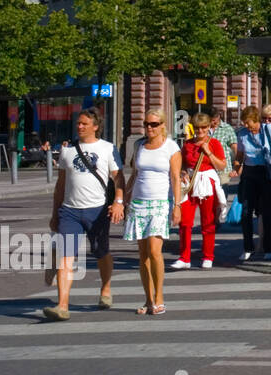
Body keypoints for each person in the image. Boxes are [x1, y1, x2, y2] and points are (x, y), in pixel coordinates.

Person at [43, 108, 124, 321]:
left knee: (101, 252)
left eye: (84, 124)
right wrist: (55, 213)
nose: (79, 126)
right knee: (66, 257)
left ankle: (105, 288)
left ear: (95, 126)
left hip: (97, 211)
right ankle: (62, 305)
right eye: (78, 123)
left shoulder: (107, 148)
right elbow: (60, 185)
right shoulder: (68, 150)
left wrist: (118, 202)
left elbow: (118, 178)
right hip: (70, 211)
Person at [123, 108, 182, 315]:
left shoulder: (171, 147)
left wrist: (177, 205)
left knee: (155, 251)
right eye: (147, 124)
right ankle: (148, 300)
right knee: (143, 254)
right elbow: (134, 174)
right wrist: (123, 200)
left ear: (163, 125)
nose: (149, 128)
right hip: (138, 202)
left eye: (154, 124)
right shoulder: (139, 145)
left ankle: (159, 298)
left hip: (160, 203)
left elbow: (175, 178)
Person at [172, 112, 227, 270]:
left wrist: (208, 151)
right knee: (185, 222)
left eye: (204, 127)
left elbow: (221, 166)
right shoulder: (187, 145)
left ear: (209, 127)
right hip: (190, 183)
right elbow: (181, 164)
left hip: (207, 183)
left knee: (208, 221)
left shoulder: (214, 143)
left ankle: (208, 256)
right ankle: (184, 257)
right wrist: (182, 172)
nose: (200, 131)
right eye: (197, 128)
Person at [233, 105, 271, 261]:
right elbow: (240, 155)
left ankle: (269, 248)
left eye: (248, 122)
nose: (246, 126)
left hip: (266, 172)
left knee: (266, 211)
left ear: (255, 120)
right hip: (249, 172)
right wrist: (236, 167)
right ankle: (248, 247)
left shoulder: (268, 129)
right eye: (244, 123)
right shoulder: (242, 134)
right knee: (246, 212)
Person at [211, 111, 239, 185]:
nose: (213, 122)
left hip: (223, 170)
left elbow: (235, 147)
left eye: (214, 120)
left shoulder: (227, 128)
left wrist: (236, 167)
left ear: (218, 117)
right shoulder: (205, 129)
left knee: (222, 194)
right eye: (211, 120)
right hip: (208, 169)